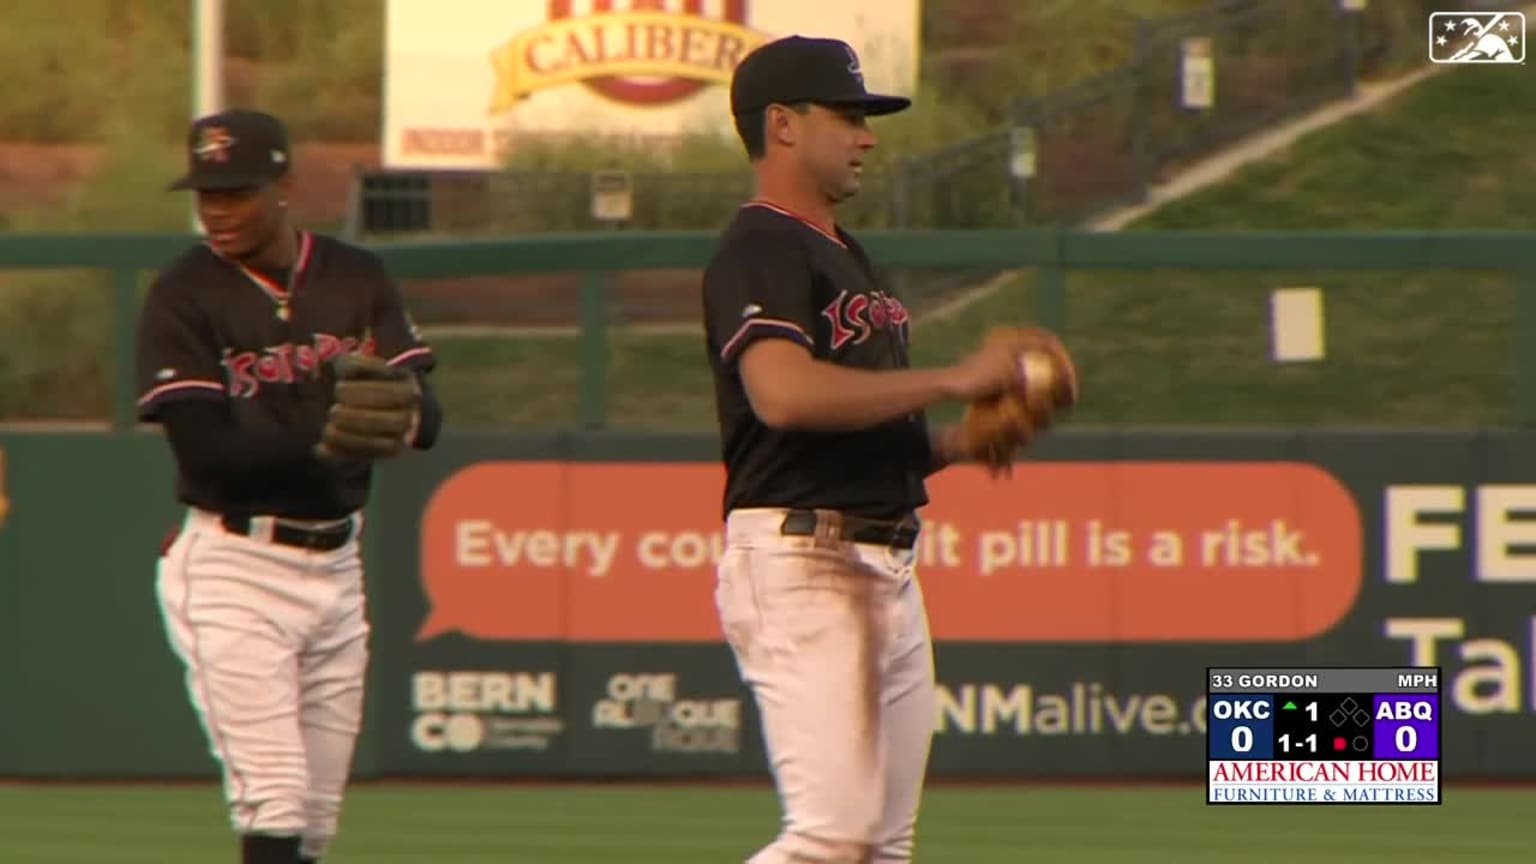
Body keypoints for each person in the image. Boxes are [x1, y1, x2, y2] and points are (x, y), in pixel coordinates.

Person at [701, 35, 1058, 863]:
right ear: (783, 126)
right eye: (848, 116)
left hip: (882, 562)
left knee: (881, 848)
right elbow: (783, 394)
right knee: (833, 838)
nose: (867, 136)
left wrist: (953, 445)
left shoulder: (846, 255)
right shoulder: (762, 244)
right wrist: (951, 378)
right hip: (806, 561)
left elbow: (855, 419)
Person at [135, 108, 443, 864]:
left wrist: (403, 417)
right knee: (273, 797)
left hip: (337, 568)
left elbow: (425, 413)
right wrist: (326, 441)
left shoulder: (354, 276)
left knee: (315, 823)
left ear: (284, 186)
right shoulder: (183, 294)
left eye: (236, 191)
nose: (219, 209)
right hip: (234, 567)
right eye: (208, 192)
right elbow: (206, 457)